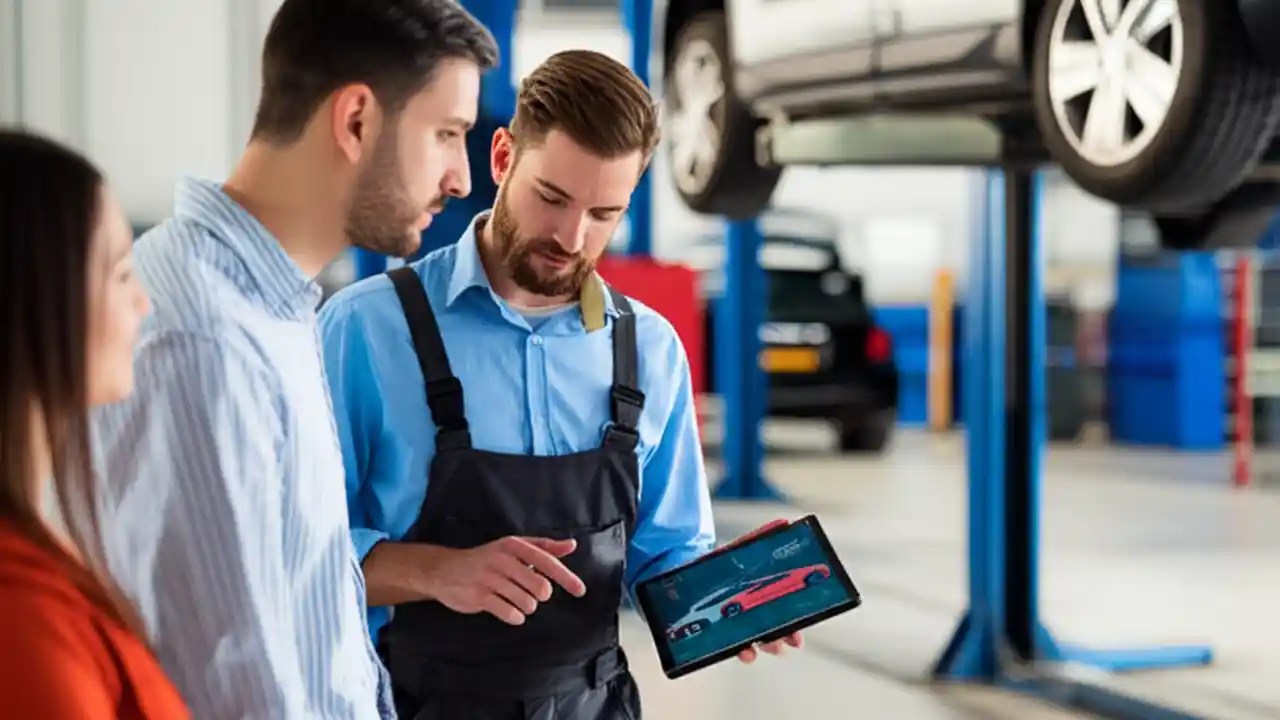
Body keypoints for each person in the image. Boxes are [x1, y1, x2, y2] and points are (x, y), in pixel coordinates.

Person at [319, 49, 802, 720]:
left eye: (605, 213)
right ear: (501, 159)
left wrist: (727, 596)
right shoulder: (365, 331)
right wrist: (437, 571)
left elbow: (662, 558)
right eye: (552, 198)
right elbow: (290, 557)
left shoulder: (650, 352)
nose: (572, 237)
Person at [87, 1, 499, 718]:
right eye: (446, 134)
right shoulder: (205, 343)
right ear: (357, 121)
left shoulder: (271, 308)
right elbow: (227, 686)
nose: (461, 178)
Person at [0, 130, 187, 719]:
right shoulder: (19, 610)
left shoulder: (42, 552)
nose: (144, 304)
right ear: (37, 296)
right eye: (120, 272)